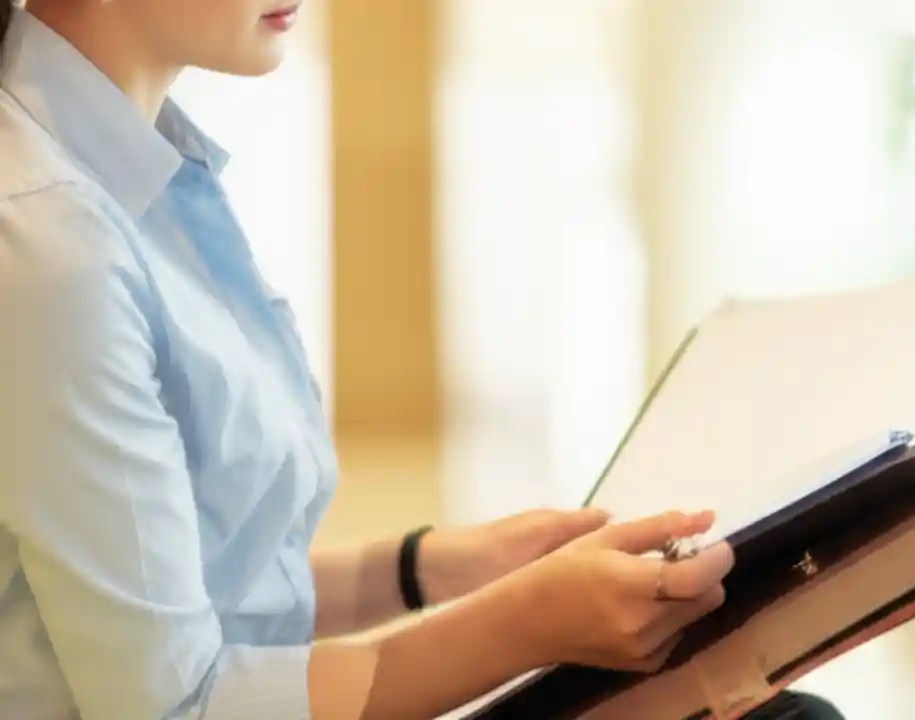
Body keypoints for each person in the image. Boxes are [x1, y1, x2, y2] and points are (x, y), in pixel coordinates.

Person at [0, 2, 844, 719]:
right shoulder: (49, 241)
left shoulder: (141, 173)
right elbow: (178, 702)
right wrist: (525, 623)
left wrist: (426, 566)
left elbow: (197, 584)